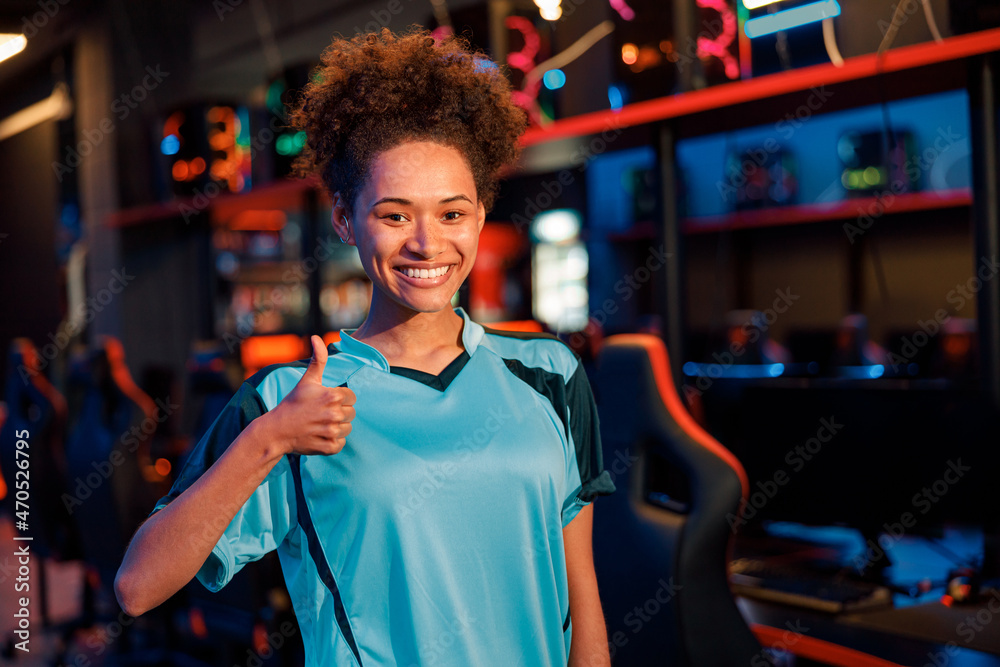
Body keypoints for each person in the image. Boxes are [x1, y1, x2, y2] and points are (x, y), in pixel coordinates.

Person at [115, 26, 616, 666]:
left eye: (452, 213)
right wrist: (271, 439)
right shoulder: (287, 401)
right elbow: (138, 586)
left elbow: (581, 593)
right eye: (395, 214)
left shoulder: (550, 373)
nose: (427, 243)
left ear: (480, 216)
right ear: (345, 220)